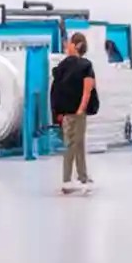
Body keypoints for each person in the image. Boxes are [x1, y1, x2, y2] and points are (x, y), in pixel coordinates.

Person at [51, 32, 97, 195]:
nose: (65, 46)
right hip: (77, 112)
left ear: (75, 45)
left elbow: (55, 91)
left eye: (68, 43)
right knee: (76, 144)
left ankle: (73, 178)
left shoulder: (62, 66)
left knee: (72, 143)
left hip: (66, 112)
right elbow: (87, 90)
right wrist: (81, 109)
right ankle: (76, 179)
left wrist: (57, 112)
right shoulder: (85, 66)